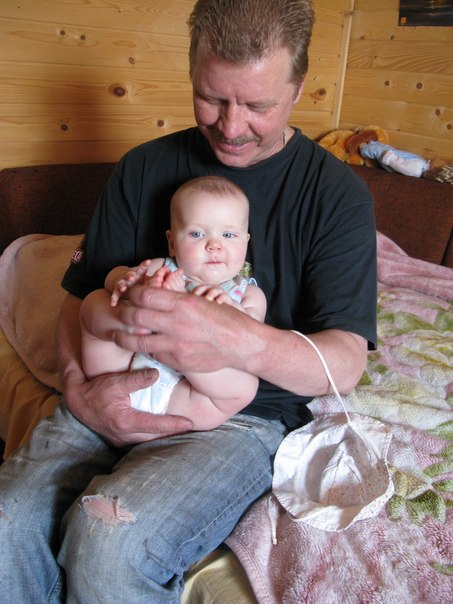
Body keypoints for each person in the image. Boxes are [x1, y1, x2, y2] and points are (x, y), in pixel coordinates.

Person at [0, 1, 377, 602]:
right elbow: (81, 300)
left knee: (110, 540)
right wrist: (78, 389)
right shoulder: (142, 168)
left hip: (237, 417)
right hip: (114, 386)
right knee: (6, 524)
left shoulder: (336, 196)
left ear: (299, 86)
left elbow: (346, 361)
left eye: (257, 105)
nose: (230, 126)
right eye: (211, 98)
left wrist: (229, 337)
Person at [80, 175, 266, 428]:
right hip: (122, 369)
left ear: (246, 242)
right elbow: (113, 277)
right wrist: (124, 281)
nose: (214, 245)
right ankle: (143, 324)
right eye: (197, 233)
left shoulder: (247, 294)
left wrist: (232, 311)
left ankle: (172, 334)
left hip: (185, 396)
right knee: (94, 302)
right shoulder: (161, 269)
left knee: (246, 386)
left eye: (229, 235)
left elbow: (252, 340)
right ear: (172, 243)